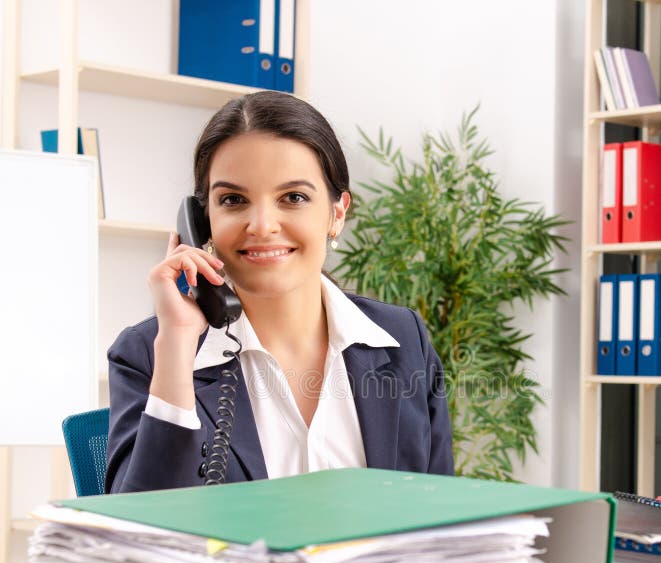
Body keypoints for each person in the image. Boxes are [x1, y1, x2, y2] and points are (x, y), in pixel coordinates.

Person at [105, 90, 454, 493]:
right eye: (233, 200)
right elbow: (139, 536)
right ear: (202, 223)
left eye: (293, 198)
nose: (262, 225)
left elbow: (438, 517)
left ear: (337, 213)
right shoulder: (149, 352)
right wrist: (177, 348)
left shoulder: (402, 339)